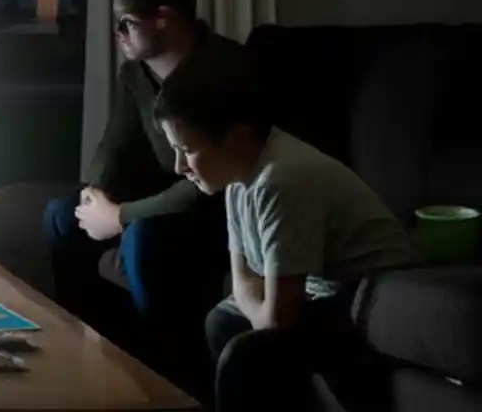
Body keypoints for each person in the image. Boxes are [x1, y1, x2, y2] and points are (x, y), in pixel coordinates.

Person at [154, 62, 416, 411]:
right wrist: (260, 316)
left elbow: (280, 317)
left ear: (238, 136)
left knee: (246, 352)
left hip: (372, 292)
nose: (179, 167)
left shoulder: (282, 178)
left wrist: (262, 325)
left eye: (186, 150)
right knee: (221, 321)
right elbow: (243, 280)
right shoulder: (237, 181)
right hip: (318, 292)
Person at [41, 0, 243, 389]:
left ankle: (165, 382)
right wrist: (95, 197)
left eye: (126, 23)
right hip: (156, 203)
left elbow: (215, 185)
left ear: (164, 20)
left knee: (145, 238)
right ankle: (88, 356)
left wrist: (121, 216)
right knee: (62, 215)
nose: (118, 35)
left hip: (212, 213)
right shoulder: (135, 75)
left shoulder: (227, 70)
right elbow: (115, 146)